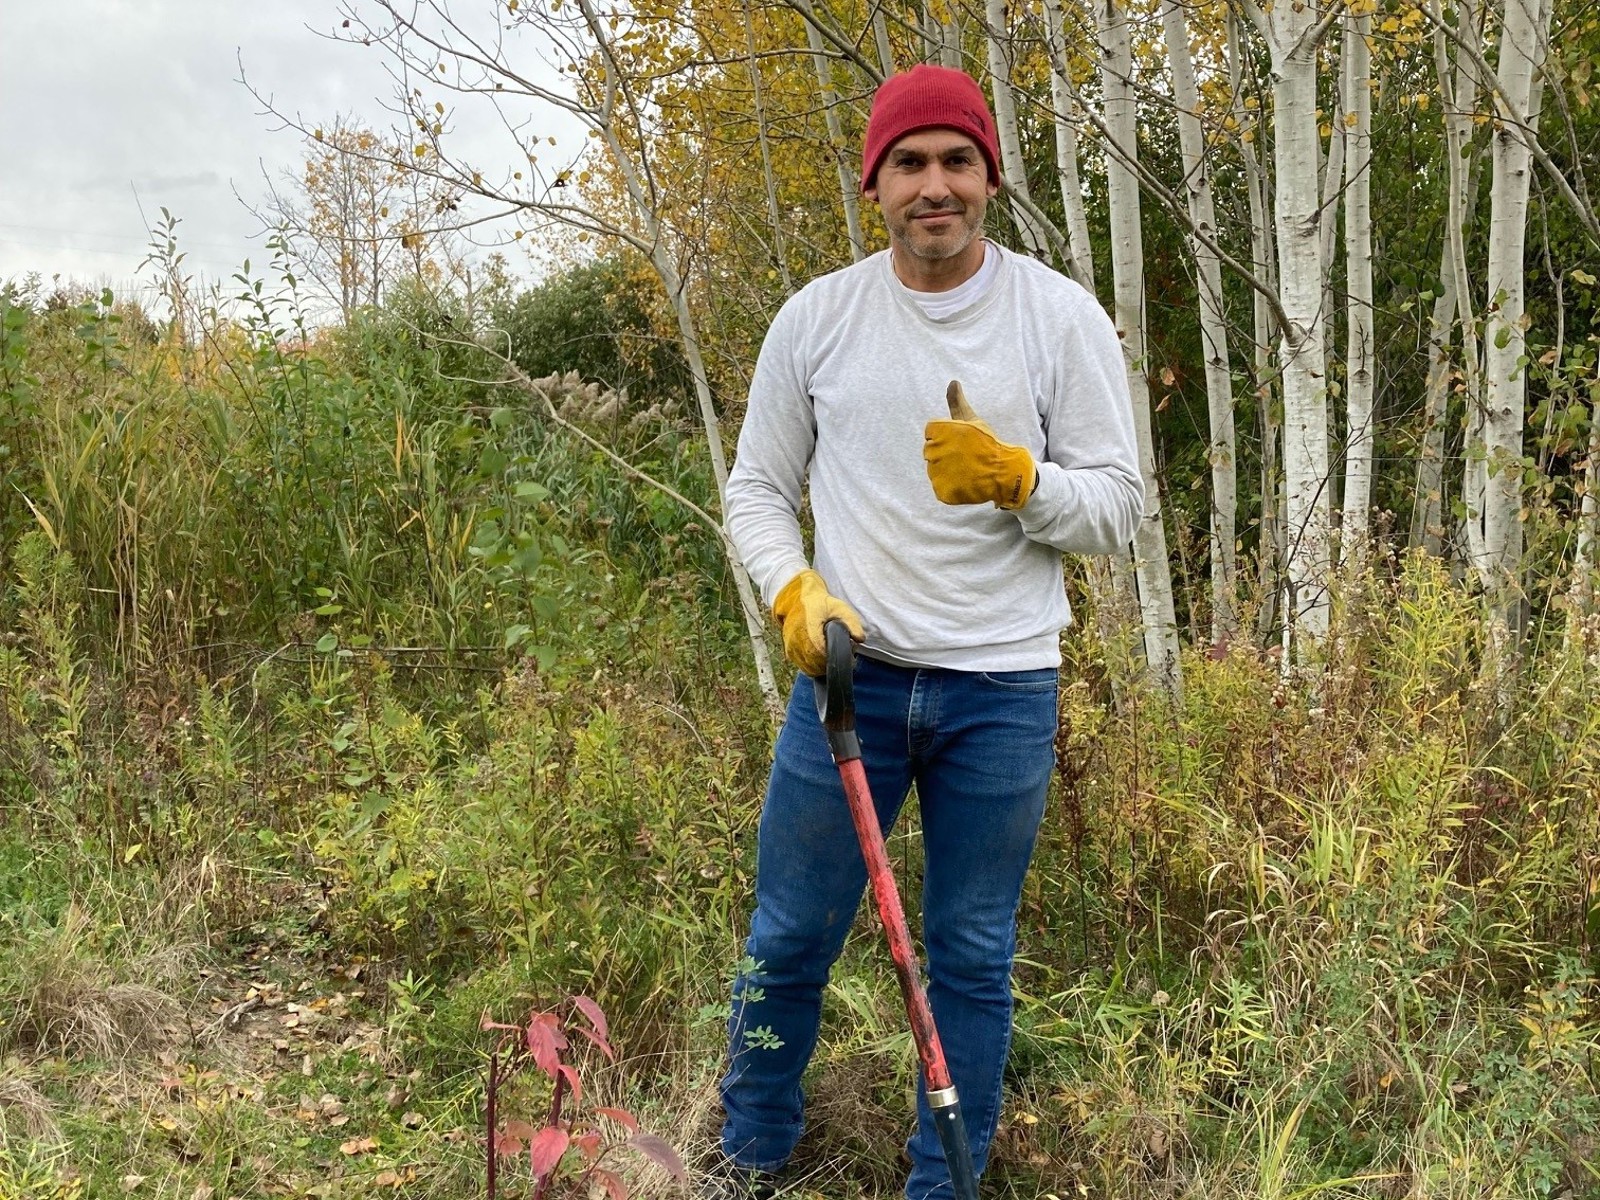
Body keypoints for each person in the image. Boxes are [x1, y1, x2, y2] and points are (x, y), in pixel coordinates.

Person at [707, 63, 1144, 1200]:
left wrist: (1019, 479)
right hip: (850, 685)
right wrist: (792, 590)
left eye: (957, 160)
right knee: (789, 939)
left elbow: (1117, 508)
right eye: (910, 163)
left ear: (989, 177)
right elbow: (756, 489)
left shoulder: (1056, 318)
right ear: (875, 183)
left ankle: (942, 1185)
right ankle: (743, 1157)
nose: (933, 185)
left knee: (970, 960)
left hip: (1001, 692)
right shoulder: (818, 318)